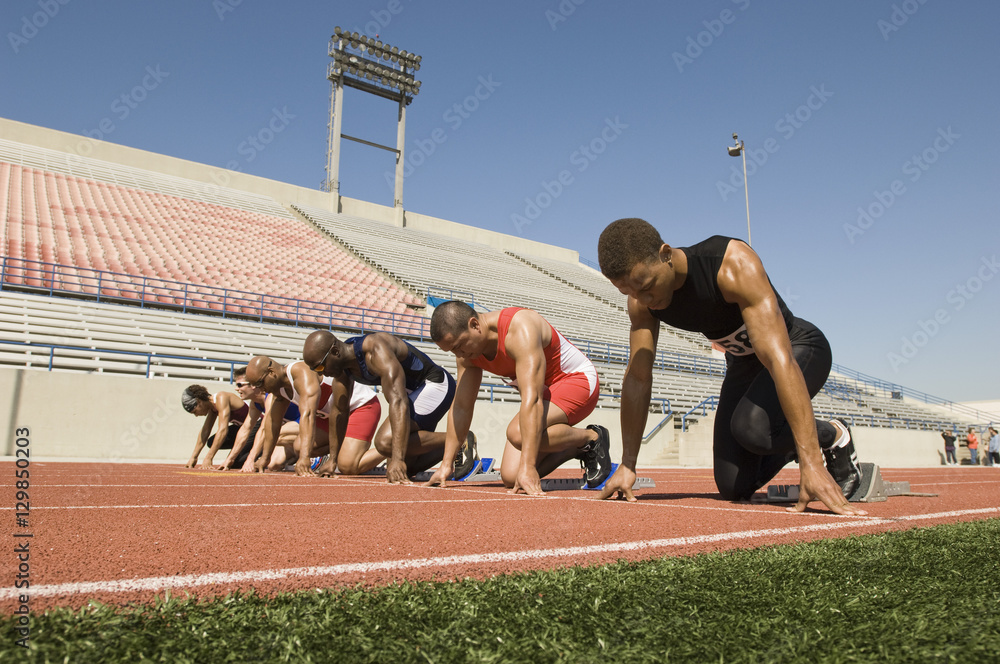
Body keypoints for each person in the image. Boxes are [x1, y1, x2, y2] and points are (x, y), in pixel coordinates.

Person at [596, 218, 866, 515]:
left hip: (799, 348)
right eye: (630, 293)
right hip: (743, 363)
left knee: (752, 427)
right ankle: (800, 440)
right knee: (732, 486)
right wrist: (628, 463)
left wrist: (811, 463)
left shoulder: (732, 263)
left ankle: (833, 435)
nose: (642, 299)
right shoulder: (641, 303)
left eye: (646, 286)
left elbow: (779, 359)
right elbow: (637, 377)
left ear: (665, 254)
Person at [427, 301, 612, 495]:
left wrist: (529, 466)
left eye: (459, 346)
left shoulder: (519, 327)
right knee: (511, 476)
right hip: (546, 394)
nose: (459, 355)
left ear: (474, 325)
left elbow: (532, 399)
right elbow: (461, 407)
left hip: (577, 381)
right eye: (452, 351)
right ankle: (574, 448)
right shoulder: (468, 354)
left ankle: (592, 437)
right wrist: (446, 465)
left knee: (517, 433)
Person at [302, 330, 473, 484]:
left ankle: (461, 438)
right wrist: (333, 459)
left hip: (434, 385)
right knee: (407, 469)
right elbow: (339, 411)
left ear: (334, 352)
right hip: (410, 395)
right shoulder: (342, 368)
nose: (320, 373)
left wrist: (397, 458)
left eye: (320, 366)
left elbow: (398, 401)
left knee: (385, 442)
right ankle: (453, 448)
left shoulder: (375, 349)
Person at [244, 355, 383, 476]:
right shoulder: (278, 389)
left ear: (271, 372)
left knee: (348, 467)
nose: (259, 389)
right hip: (332, 415)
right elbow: (273, 422)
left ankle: (389, 447)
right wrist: (264, 458)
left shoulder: (300, 372)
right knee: (299, 446)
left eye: (259, 383)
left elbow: (308, 415)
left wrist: (304, 459)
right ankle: (345, 451)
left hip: (359, 406)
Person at [181, 384, 260, 470]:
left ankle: (260, 452)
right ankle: (244, 450)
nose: (196, 415)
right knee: (211, 442)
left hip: (257, 425)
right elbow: (205, 431)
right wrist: (194, 457)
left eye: (195, 411)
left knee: (235, 463)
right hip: (242, 428)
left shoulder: (221, 398)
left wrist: (209, 458)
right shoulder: (212, 407)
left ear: (199, 402)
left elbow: (222, 430)